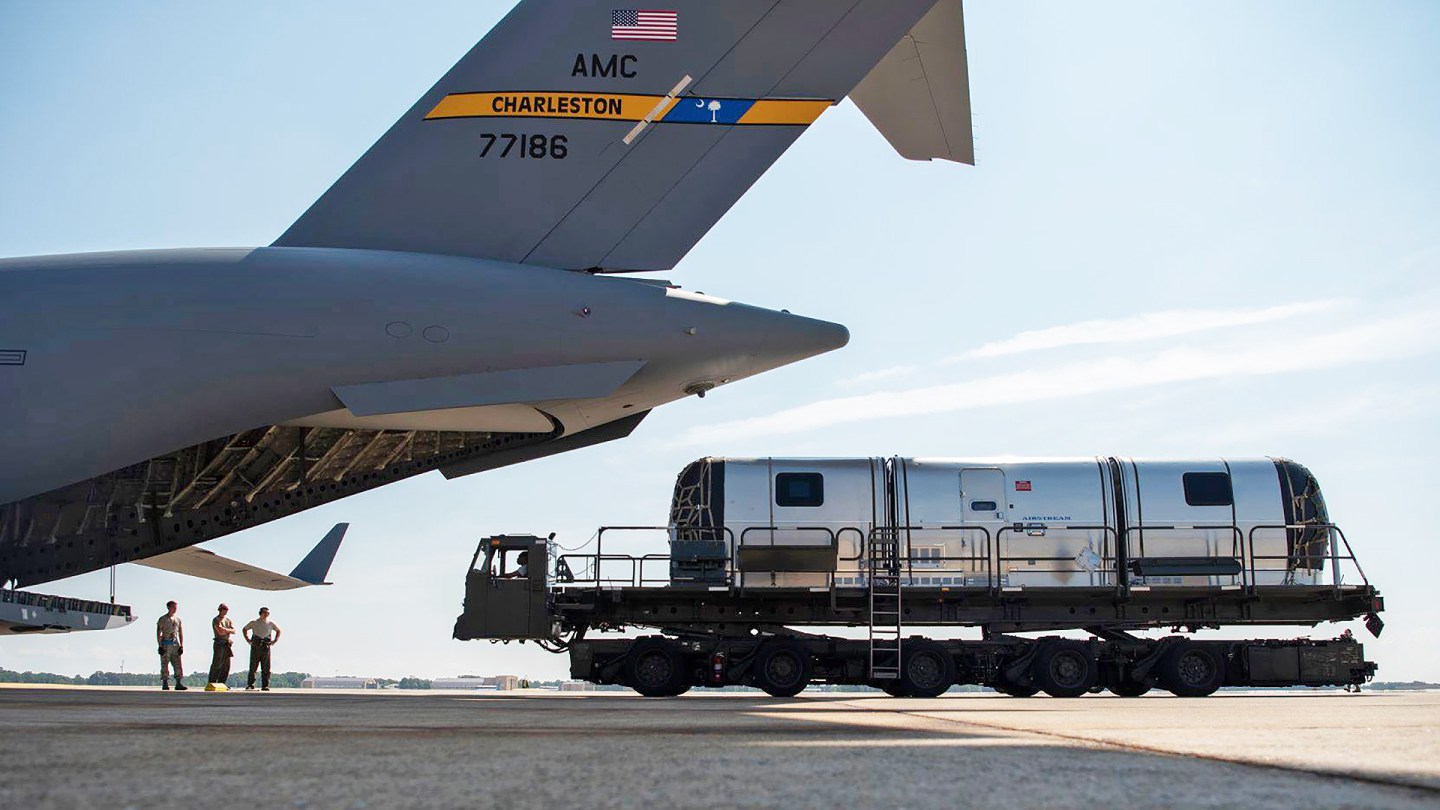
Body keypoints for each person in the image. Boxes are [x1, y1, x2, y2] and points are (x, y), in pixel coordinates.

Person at [242, 606, 282, 691]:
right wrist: (248, 639)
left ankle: (265, 685)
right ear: (260, 613)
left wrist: (275, 640)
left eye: (268, 613)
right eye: (265, 613)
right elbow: (244, 629)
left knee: (266, 667)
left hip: (266, 646)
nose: (266, 614)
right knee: (253, 666)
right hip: (256, 645)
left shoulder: (270, 623)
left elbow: (278, 631)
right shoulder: (254, 622)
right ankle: (250, 684)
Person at [156, 600, 187, 691]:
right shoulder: (163, 619)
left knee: (177, 663)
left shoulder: (178, 620)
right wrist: (159, 645)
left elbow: (180, 633)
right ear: (169, 607)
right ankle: (165, 682)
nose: (175, 609)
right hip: (166, 643)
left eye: (176, 607)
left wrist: (181, 645)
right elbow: (158, 632)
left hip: (175, 644)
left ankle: (178, 682)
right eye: (173, 607)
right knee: (164, 663)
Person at [208, 603, 235, 689]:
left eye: (226, 610)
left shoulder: (228, 620)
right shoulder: (216, 620)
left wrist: (225, 630)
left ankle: (222, 682)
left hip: (227, 643)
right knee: (217, 663)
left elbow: (233, 630)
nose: (225, 611)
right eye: (224, 609)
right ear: (220, 610)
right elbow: (220, 632)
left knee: (226, 665)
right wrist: (228, 630)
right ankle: (212, 681)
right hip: (219, 643)